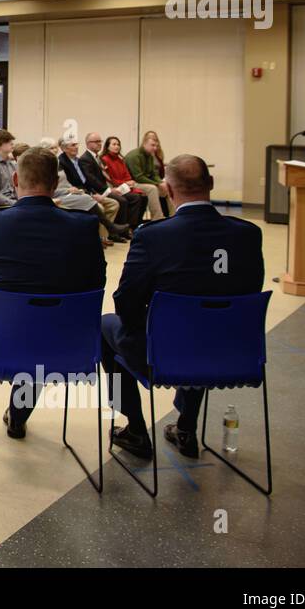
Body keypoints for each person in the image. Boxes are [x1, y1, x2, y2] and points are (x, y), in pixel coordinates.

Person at [103, 155, 264, 459]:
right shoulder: (247, 234)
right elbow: (249, 291)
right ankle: (186, 426)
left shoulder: (153, 236)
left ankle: (136, 429)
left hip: (163, 355)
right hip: (231, 353)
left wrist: (151, 325)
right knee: (204, 324)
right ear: (211, 185)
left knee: (106, 326)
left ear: (167, 189)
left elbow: (126, 301)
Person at [0, 147, 106, 444]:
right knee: (42, 332)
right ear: (55, 182)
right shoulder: (85, 227)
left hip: (2, 340)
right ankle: (18, 418)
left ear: (17, 179)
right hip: (69, 345)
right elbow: (96, 282)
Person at [77, 132, 146, 228]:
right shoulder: (85, 158)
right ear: (88, 143)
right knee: (122, 200)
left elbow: (106, 177)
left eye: (100, 141)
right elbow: (91, 180)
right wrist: (109, 189)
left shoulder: (97, 157)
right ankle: (119, 231)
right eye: (96, 141)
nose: (99, 144)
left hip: (107, 188)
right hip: (97, 191)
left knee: (137, 197)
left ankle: (130, 227)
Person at [102, 136, 163, 220]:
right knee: (136, 197)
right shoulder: (105, 159)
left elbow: (127, 175)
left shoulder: (120, 159)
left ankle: (137, 222)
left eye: (118, 144)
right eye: (114, 144)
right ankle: (131, 224)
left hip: (126, 185)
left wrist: (129, 181)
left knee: (143, 196)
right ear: (107, 146)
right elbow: (110, 179)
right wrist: (125, 183)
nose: (117, 146)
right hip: (116, 187)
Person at [125, 131, 172, 218]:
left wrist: (161, 182)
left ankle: (173, 216)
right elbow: (138, 177)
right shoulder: (134, 156)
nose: (155, 148)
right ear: (144, 144)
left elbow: (153, 173)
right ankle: (157, 217)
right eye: (152, 145)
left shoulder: (149, 155)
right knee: (152, 189)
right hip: (131, 182)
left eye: (156, 146)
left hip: (144, 182)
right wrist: (157, 184)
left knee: (167, 187)